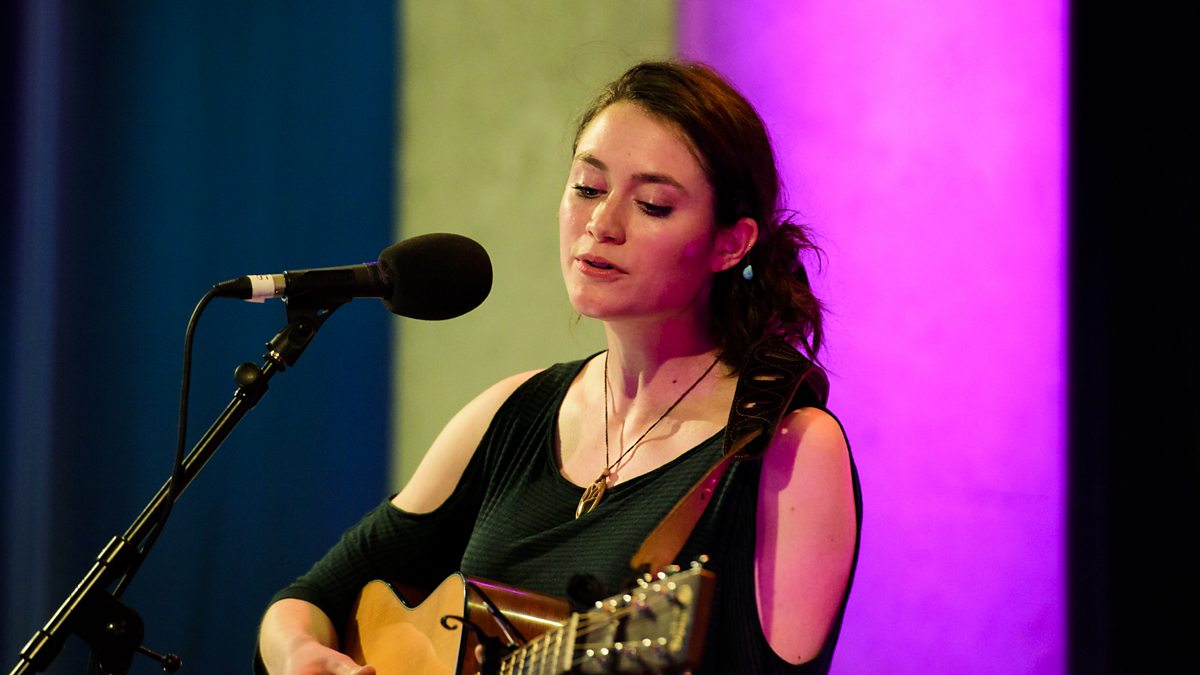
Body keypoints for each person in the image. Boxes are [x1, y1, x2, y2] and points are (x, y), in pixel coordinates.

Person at [256, 60, 861, 675]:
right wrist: (299, 653)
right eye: (588, 188)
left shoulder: (789, 452)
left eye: (652, 204)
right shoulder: (509, 414)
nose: (602, 223)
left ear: (730, 244)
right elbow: (309, 599)